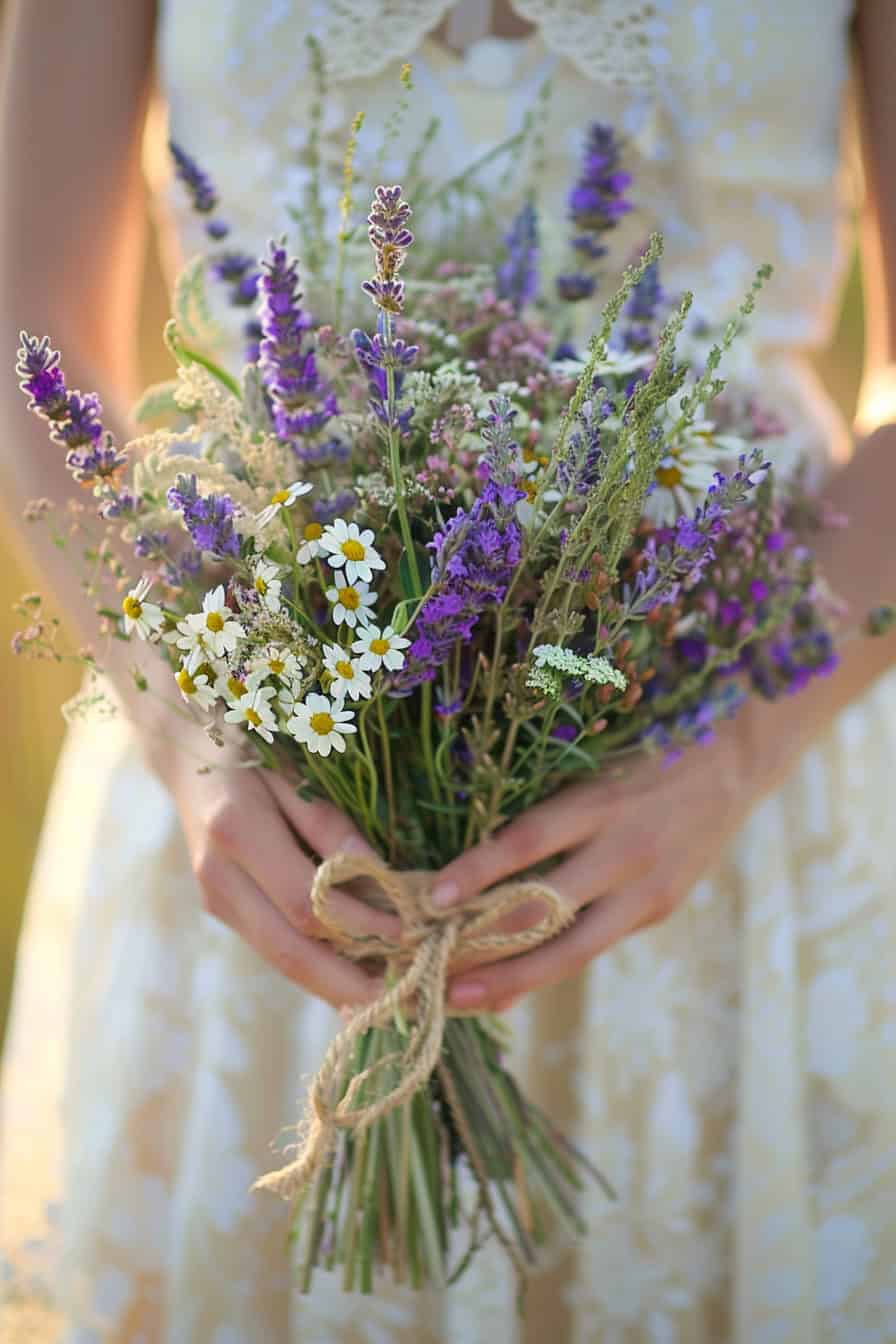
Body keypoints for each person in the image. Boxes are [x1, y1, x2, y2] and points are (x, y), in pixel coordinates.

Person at [2, 1, 895, 1339]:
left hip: (747, 777)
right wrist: (189, 726)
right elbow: (25, 319)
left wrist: (736, 749)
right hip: (271, 801)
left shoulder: (740, 759)